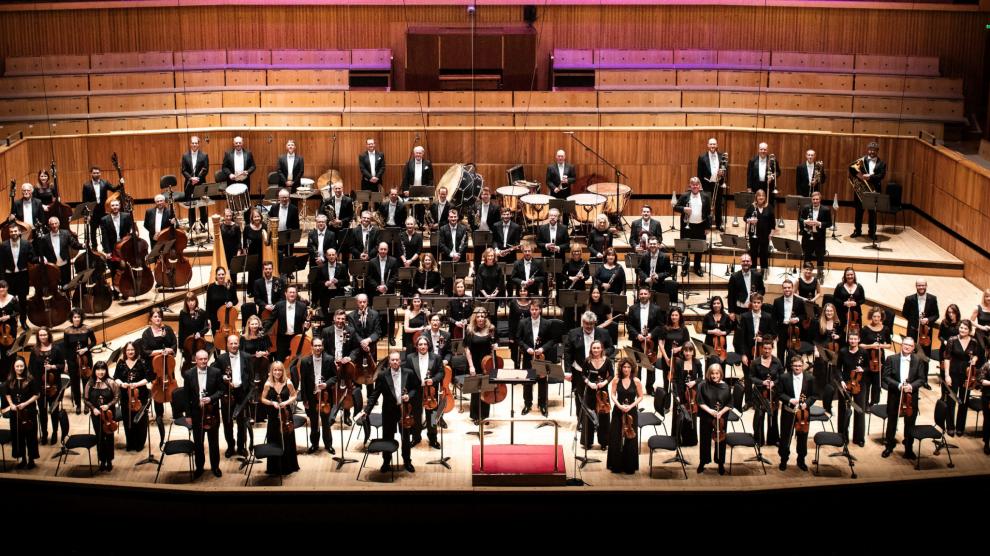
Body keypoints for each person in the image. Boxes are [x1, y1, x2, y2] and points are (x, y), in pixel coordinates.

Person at [356, 351, 417, 473]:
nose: (395, 362)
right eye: (392, 360)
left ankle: (407, 461)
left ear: (400, 361)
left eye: (397, 360)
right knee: (387, 437)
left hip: (404, 411)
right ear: (389, 361)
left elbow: (415, 388)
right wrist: (366, 411)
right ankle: (386, 461)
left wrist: (409, 396)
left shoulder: (408, 373)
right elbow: (375, 395)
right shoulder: (383, 375)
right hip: (389, 411)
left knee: (405, 438)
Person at [881, 337, 925, 460]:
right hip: (895, 395)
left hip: (911, 396)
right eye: (905, 344)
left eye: (910, 345)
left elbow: (922, 379)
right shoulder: (891, 359)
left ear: (913, 348)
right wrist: (899, 385)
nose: (906, 347)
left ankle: (909, 449)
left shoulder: (918, 360)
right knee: (892, 422)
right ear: (901, 345)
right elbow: (885, 377)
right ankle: (889, 446)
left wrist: (911, 386)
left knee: (910, 423)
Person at [184, 349, 223, 478]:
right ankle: (199, 467)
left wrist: (211, 398)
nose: (203, 361)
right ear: (196, 359)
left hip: (212, 413)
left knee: (214, 442)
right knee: (198, 443)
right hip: (196, 413)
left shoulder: (215, 372)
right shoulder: (189, 374)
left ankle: (215, 467)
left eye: (205, 359)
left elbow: (221, 391)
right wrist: (188, 415)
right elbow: (186, 397)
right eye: (201, 359)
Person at [942, 319, 985, 436]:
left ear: (969, 330)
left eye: (965, 328)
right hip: (953, 373)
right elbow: (947, 358)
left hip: (967, 375)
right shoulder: (952, 340)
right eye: (961, 327)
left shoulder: (974, 342)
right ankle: (950, 426)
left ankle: (960, 427)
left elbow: (977, 355)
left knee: (964, 400)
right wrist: (947, 375)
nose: (962, 330)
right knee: (951, 400)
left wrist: (974, 359)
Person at [141, 307, 177, 444]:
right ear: (150, 319)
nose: (158, 319)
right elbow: (144, 351)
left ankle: (176, 412)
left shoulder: (167, 330)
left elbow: (174, 344)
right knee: (157, 388)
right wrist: (159, 351)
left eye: (159, 316)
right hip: (154, 367)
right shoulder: (146, 334)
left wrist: (170, 350)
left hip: (168, 365)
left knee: (172, 387)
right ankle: (159, 414)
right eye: (155, 317)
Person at [214, 334, 252, 458]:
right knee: (227, 422)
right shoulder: (221, 359)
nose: (234, 345)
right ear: (227, 345)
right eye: (231, 343)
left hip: (242, 393)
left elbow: (251, 376)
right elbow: (215, 375)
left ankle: (241, 447)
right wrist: (223, 378)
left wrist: (250, 393)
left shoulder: (246, 357)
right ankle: (231, 446)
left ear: (239, 344)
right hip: (227, 394)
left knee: (242, 422)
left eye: (236, 343)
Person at [260, 361, 300, 475]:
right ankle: (274, 468)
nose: (277, 372)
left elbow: (294, 395)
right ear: (271, 371)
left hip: (286, 415)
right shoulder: (268, 384)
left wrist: (286, 402)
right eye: (275, 370)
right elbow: (262, 399)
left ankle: (288, 467)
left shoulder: (288, 382)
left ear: (283, 371)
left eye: (280, 370)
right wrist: (272, 403)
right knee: (274, 439)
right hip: (273, 416)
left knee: (287, 440)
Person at [777, 356, 817, 472]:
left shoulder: (810, 378)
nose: (797, 368)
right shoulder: (784, 378)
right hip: (788, 412)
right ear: (791, 366)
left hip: (803, 413)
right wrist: (789, 400)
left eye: (799, 366)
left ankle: (801, 460)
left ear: (803, 365)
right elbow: (779, 393)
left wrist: (807, 404)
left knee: (802, 437)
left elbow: (814, 395)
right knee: (785, 437)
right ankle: (783, 460)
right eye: (795, 366)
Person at [298, 336, 335, 455]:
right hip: (311, 396)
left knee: (326, 422)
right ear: (312, 347)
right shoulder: (304, 361)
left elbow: (335, 377)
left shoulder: (329, 359)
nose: (318, 348)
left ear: (323, 347)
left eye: (320, 345)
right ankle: (314, 444)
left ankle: (328, 445)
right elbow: (302, 382)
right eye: (316, 346)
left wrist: (326, 384)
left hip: (325, 397)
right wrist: (304, 399)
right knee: (313, 422)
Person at [404, 336, 444, 449]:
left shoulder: (436, 358)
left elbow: (441, 373)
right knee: (416, 415)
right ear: (416, 346)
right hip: (416, 390)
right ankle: (416, 437)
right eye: (420, 344)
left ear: (428, 345)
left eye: (425, 344)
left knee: (432, 416)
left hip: (430, 391)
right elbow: (406, 374)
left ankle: (433, 439)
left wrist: (433, 380)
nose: (422, 346)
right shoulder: (410, 358)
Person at [607, 358, 644, 474]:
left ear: (632, 368)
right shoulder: (616, 380)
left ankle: (629, 466)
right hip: (618, 411)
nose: (626, 369)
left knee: (630, 438)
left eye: (628, 367)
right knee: (616, 437)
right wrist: (619, 405)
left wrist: (631, 406)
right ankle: (616, 465)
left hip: (631, 412)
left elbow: (640, 396)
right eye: (624, 367)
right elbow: (612, 394)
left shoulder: (636, 381)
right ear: (621, 368)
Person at [626, 286, 664, 396]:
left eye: (645, 294)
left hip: (651, 341)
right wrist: (637, 335)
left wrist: (651, 334)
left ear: (649, 295)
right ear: (638, 295)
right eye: (641, 294)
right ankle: (637, 387)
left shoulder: (656, 309)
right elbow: (629, 325)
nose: (643, 296)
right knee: (637, 363)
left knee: (650, 364)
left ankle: (649, 387)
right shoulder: (633, 308)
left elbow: (660, 325)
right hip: (638, 340)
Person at [31, 327, 66, 446]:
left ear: (48, 335)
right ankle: (44, 433)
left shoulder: (56, 349)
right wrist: (34, 386)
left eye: (45, 335)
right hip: (40, 386)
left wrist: (52, 367)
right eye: (40, 335)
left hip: (54, 386)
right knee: (42, 411)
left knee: (54, 411)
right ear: (38, 337)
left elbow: (62, 365)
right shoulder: (34, 350)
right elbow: (31, 369)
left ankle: (55, 432)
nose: (43, 337)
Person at [518, 300, 553, 417]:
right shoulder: (523, 323)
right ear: (529, 310)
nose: (534, 312)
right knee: (527, 381)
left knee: (542, 381)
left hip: (542, 357)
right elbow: (519, 339)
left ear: (540, 310)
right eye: (532, 309)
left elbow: (552, 340)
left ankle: (542, 404)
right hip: (528, 357)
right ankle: (527, 404)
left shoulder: (547, 323)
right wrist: (527, 348)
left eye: (536, 309)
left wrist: (542, 349)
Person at [114, 341, 151, 452]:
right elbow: (116, 377)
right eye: (128, 350)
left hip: (140, 396)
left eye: (132, 350)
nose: (130, 352)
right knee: (127, 420)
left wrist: (136, 384)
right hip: (125, 396)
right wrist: (122, 384)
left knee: (139, 420)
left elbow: (148, 378)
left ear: (136, 350)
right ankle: (130, 443)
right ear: (125, 351)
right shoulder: (121, 363)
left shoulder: (142, 362)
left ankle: (139, 443)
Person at [697, 363, 731, 475]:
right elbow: (700, 401)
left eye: (717, 373)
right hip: (706, 416)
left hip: (720, 418)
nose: (714, 376)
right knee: (704, 439)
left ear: (720, 373)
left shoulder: (726, 386)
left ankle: (720, 463)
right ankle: (703, 462)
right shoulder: (703, 385)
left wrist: (720, 412)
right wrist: (710, 411)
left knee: (721, 440)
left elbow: (730, 403)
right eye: (712, 373)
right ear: (709, 374)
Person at [84, 361, 119, 472]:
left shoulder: (111, 382)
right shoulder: (90, 383)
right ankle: (102, 461)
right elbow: (85, 399)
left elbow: (117, 397)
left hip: (109, 415)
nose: (100, 372)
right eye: (98, 370)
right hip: (96, 415)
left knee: (109, 437)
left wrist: (108, 405)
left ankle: (109, 461)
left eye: (103, 369)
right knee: (99, 437)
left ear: (106, 370)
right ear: (94, 371)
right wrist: (93, 409)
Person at [5, 356, 39, 469]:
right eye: (17, 366)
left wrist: (25, 404)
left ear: (25, 366)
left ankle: (31, 460)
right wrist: (11, 404)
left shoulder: (30, 379)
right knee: (18, 436)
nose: (19, 368)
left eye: (21, 366)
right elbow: (7, 393)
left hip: (29, 412)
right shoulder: (10, 379)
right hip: (15, 413)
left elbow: (36, 395)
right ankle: (22, 459)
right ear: (13, 367)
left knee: (30, 436)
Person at [673, 177, 711, 277]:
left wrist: (707, 227)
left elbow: (708, 213)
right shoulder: (685, 195)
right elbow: (676, 207)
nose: (695, 186)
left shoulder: (705, 197)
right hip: (687, 226)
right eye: (693, 184)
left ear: (699, 186)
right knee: (685, 247)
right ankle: (685, 268)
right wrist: (684, 208)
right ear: (690, 185)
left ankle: (697, 267)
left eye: (696, 184)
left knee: (699, 247)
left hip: (701, 226)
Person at [578, 340, 612, 450]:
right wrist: (589, 383)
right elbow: (582, 374)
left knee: (603, 416)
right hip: (590, 390)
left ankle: (604, 442)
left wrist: (604, 382)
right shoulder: (587, 361)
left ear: (602, 349)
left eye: (598, 348)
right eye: (594, 348)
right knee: (588, 416)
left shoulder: (607, 361)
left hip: (603, 393)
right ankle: (587, 442)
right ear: (591, 349)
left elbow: (611, 375)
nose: (596, 350)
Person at [849, 141, 886, 240]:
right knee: (859, 212)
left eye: (874, 150)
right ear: (867, 150)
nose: (872, 151)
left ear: (877, 151)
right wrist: (860, 176)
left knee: (872, 213)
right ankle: (857, 231)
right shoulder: (861, 160)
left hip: (874, 191)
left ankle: (872, 232)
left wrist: (870, 177)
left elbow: (881, 176)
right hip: (861, 190)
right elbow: (851, 168)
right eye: (870, 149)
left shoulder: (882, 163)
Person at [463, 307, 495, 423]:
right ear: (474, 318)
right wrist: (471, 366)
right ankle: (476, 416)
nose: (480, 319)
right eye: (478, 316)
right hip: (475, 363)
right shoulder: (470, 330)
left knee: (486, 389)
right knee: (476, 390)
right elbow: (467, 349)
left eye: (482, 316)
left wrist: (495, 349)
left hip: (487, 364)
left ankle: (484, 415)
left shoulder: (491, 329)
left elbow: (493, 346)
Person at [748, 337, 782, 447]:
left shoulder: (777, 362)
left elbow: (782, 377)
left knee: (773, 415)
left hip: (773, 393)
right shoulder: (755, 362)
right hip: (759, 393)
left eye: (769, 348)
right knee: (760, 415)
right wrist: (762, 382)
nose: (767, 351)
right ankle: (759, 440)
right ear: (761, 348)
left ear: (772, 349)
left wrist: (774, 383)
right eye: (765, 348)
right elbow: (751, 377)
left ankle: (773, 439)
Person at [837, 331, 867, 447]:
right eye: (851, 339)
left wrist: (863, 369)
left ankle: (859, 438)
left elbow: (868, 367)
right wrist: (841, 381)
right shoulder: (843, 351)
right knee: (843, 410)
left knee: (859, 410)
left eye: (855, 339)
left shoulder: (863, 352)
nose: (853, 341)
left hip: (860, 384)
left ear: (859, 339)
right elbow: (838, 368)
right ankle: (842, 436)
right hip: (846, 384)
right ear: (848, 340)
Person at [264, 285, 310, 360]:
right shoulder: (279, 305)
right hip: (282, 339)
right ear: (286, 294)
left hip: (296, 338)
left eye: (294, 292)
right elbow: (271, 320)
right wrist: (263, 330)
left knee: (295, 361)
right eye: (290, 292)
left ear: (296, 293)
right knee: (281, 360)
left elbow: (306, 322)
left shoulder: (302, 306)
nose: (292, 294)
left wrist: (307, 326)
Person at [62, 308, 95, 414]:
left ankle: (86, 404)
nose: (77, 319)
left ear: (81, 318)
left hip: (85, 358)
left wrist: (86, 349)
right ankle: (78, 405)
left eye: (78, 317)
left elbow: (94, 341)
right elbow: (66, 348)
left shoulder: (88, 329)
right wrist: (66, 362)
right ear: (72, 318)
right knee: (75, 383)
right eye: (75, 317)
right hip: (72, 359)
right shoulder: (67, 331)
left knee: (86, 382)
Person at [0, 222, 33, 325]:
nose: (13, 233)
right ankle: (12, 323)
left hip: (22, 276)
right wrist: (2, 279)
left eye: (15, 231)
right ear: (9, 233)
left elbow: (32, 258)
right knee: (10, 301)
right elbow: (0, 263)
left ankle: (23, 322)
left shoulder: (26, 244)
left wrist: (42, 259)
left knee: (23, 301)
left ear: (19, 232)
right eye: (11, 232)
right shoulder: (3, 245)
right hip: (9, 277)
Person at [859, 306, 891, 409]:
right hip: (867, 358)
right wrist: (871, 346)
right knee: (867, 382)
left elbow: (889, 344)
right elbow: (860, 345)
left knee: (877, 382)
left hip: (879, 359)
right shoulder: (865, 329)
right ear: (871, 317)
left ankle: (873, 403)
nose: (876, 319)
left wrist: (880, 346)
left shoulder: (885, 329)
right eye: (874, 316)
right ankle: (865, 403)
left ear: (881, 317)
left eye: (878, 316)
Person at [37, 216, 83, 284]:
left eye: (56, 223)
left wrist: (83, 245)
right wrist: (43, 257)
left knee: (66, 284)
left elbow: (74, 244)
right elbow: (41, 250)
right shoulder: (45, 238)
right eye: (52, 224)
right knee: (55, 284)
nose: (54, 226)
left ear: (59, 224)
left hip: (65, 264)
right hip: (53, 266)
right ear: (49, 225)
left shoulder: (65, 233)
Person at [772, 279, 806, 364]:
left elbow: (804, 315)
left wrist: (797, 319)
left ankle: (791, 372)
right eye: (785, 288)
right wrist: (775, 334)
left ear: (792, 288)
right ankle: (780, 372)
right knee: (780, 353)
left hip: (794, 330)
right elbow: (773, 319)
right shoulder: (777, 301)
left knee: (793, 354)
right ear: (782, 289)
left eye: (789, 287)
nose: (787, 289)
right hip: (782, 329)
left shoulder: (799, 301)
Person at [902, 279, 939, 358]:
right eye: (919, 285)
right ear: (916, 286)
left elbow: (936, 315)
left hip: (926, 333)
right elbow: (904, 313)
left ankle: (924, 370)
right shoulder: (909, 299)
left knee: (924, 355)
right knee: (911, 353)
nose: (921, 287)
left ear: (926, 286)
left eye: (923, 285)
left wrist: (928, 320)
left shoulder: (932, 299)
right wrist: (915, 322)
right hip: (913, 330)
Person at [697, 138, 727, 231]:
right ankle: (706, 224)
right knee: (706, 205)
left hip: (718, 184)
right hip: (706, 184)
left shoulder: (722, 156)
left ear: (717, 145)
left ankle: (718, 224)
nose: (712, 146)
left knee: (718, 205)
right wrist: (700, 186)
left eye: (714, 144)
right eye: (711, 144)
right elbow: (699, 173)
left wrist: (723, 173)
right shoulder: (702, 157)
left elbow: (726, 170)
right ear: (708, 145)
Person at [180, 135, 210, 228]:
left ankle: (203, 225)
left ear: (198, 144)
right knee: (191, 206)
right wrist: (191, 179)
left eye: (196, 143)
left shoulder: (204, 155)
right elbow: (183, 170)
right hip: (189, 184)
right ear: (190, 144)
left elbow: (206, 169)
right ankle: (191, 225)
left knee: (202, 206)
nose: (194, 144)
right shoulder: (185, 156)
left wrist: (197, 179)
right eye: (192, 143)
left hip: (200, 183)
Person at [799, 191, 832, 273]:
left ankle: (820, 274)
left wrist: (819, 223)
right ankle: (805, 274)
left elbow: (829, 223)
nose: (815, 201)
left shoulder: (826, 209)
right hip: (807, 236)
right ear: (811, 199)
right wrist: (805, 221)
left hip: (819, 238)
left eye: (817, 199)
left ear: (820, 199)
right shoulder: (806, 208)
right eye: (813, 199)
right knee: (807, 256)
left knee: (820, 257)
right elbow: (800, 219)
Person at [744, 189, 775, 274]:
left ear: (765, 197)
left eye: (763, 196)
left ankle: (763, 273)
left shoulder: (769, 207)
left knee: (764, 254)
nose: (761, 198)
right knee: (753, 254)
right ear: (756, 197)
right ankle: (753, 272)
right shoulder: (752, 207)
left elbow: (773, 224)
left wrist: (771, 234)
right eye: (759, 196)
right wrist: (750, 220)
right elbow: (745, 218)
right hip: (754, 235)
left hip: (765, 235)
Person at [726, 253, 765, 319]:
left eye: (747, 261)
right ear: (740, 263)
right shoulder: (734, 277)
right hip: (739, 309)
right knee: (740, 329)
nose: (745, 263)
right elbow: (731, 295)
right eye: (743, 261)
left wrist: (757, 295)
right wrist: (731, 311)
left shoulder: (757, 275)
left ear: (751, 262)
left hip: (753, 309)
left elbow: (762, 290)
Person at [206, 267, 238, 341]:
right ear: (216, 276)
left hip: (227, 318)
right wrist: (208, 318)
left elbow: (236, 300)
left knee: (229, 340)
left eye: (223, 274)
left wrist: (232, 303)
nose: (221, 276)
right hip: (214, 318)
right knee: (217, 340)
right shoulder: (211, 287)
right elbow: (208, 304)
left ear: (225, 275)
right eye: (219, 274)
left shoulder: (230, 286)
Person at [178, 292, 209, 363]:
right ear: (186, 302)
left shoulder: (202, 313)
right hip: (187, 343)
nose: (191, 303)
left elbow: (206, 327)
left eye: (192, 300)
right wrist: (180, 346)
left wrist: (200, 333)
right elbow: (181, 330)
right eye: (188, 301)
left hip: (199, 342)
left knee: (200, 361)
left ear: (196, 301)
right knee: (187, 362)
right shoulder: (183, 313)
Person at [268, 188, 300, 258]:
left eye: (286, 197)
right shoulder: (274, 208)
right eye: (282, 197)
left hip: (288, 237)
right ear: (279, 198)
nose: (284, 199)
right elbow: (270, 220)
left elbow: (296, 225)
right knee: (277, 256)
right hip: (277, 236)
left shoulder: (294, 209)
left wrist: (294, 237)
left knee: (288, 256)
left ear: (289, 197)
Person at [702, 295, 732, 366]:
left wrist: (722, 332)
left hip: (722, 345)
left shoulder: (726, 316)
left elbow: (729, 329)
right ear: (712, 305)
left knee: (721, 364)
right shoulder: (707, 316)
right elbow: (704, 330)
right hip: (709, 344)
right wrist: (713, 331)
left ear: (721, 304)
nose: (716, 305)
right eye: (714, 303)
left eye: (718, 303)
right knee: (710, 364)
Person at [241, 208, 266, 286]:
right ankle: (252, 290)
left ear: (261, 217)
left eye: (258, 216)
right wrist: (245, 255)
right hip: (252, 253)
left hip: (262, 253)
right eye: (255, 217)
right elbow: (244, 242)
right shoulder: (247, 227)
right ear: (252, 218)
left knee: (260, 271)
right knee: (252, 272)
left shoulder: (264, 226)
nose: (257, 218)